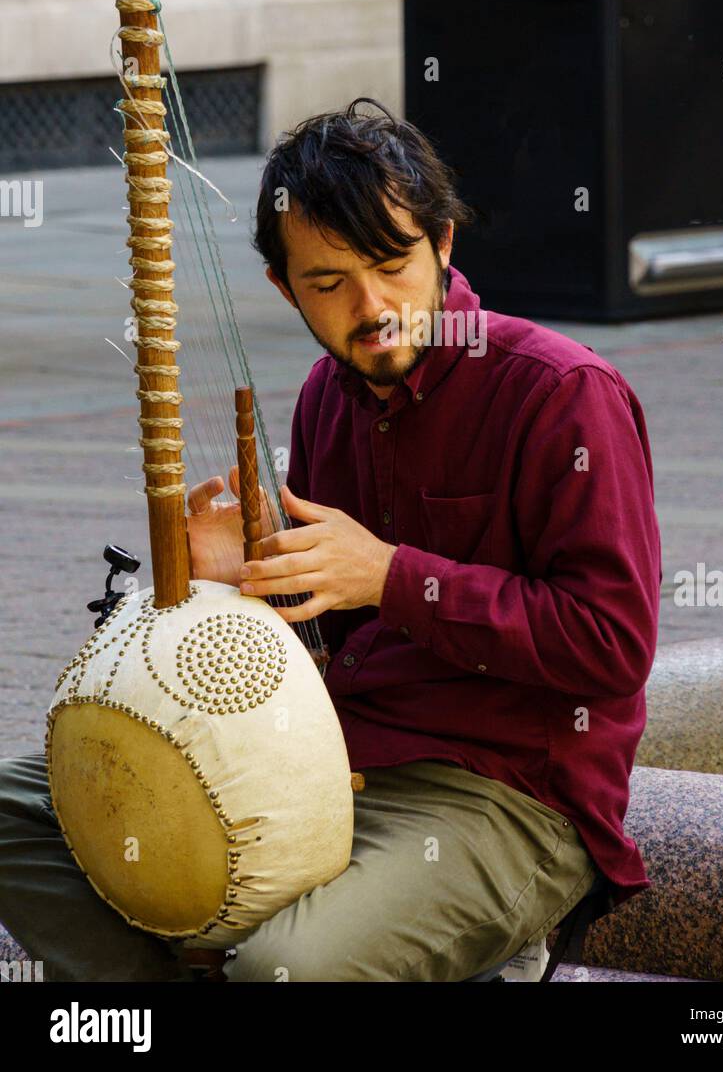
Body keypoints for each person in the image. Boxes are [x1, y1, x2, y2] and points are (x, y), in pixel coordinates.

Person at [0, 99, 661, 982]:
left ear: (444, 246)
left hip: (509, 798)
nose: (371, 306)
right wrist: (241, 588)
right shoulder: (326, 396)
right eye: (328, 283)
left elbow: (611, 645)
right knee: (18, 809)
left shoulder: (562, 394)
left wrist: (391, 577)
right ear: (284, 289)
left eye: (393, 265)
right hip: (326, 759)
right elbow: (322, 648)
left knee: (286, 968)